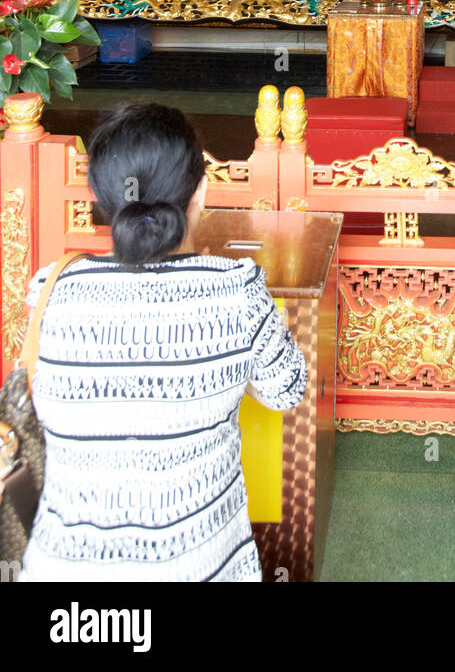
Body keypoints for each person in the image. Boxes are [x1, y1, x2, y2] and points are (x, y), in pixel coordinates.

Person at [20, 103, 307, 583]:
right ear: (201, 190)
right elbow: (286, 389)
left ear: (97, 194)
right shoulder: (234, 289)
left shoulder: (52, 289)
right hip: (201, 566)